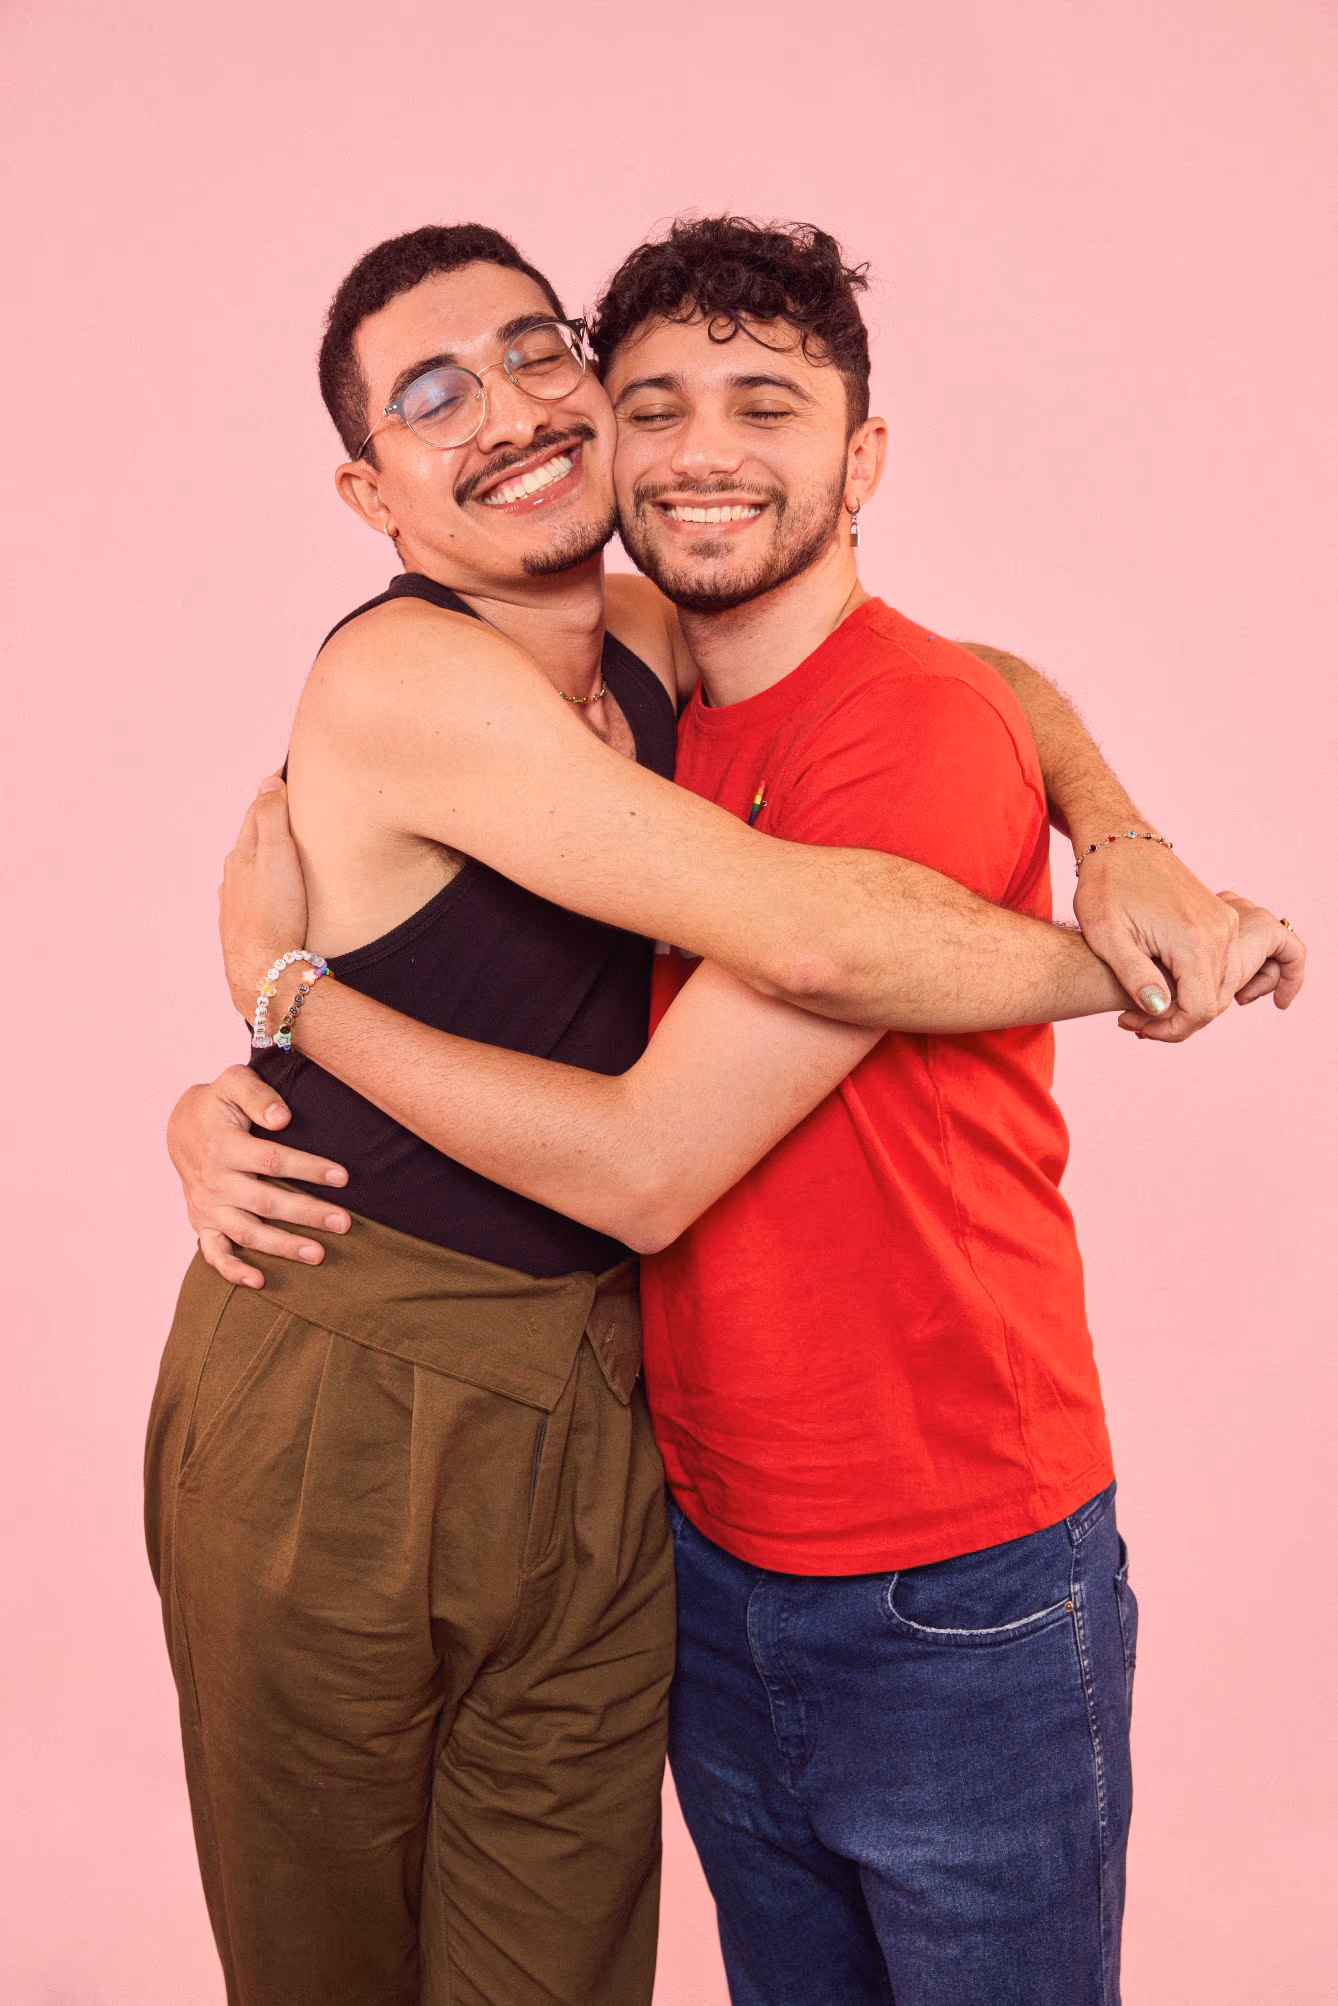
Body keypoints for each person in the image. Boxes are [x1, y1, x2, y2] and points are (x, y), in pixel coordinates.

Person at [158, 220, 1301, 2006]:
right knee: (333, 1968)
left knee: (560, 1964)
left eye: (537, 354)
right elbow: (780, 972)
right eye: (430, 394)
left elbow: (962, 676)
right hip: (389, 1388)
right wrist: (1151, 961)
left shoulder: (645, 639)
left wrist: (1124, 833)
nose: (513, 412)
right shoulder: (423, 674)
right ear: (368, 488)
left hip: (659, 1430)